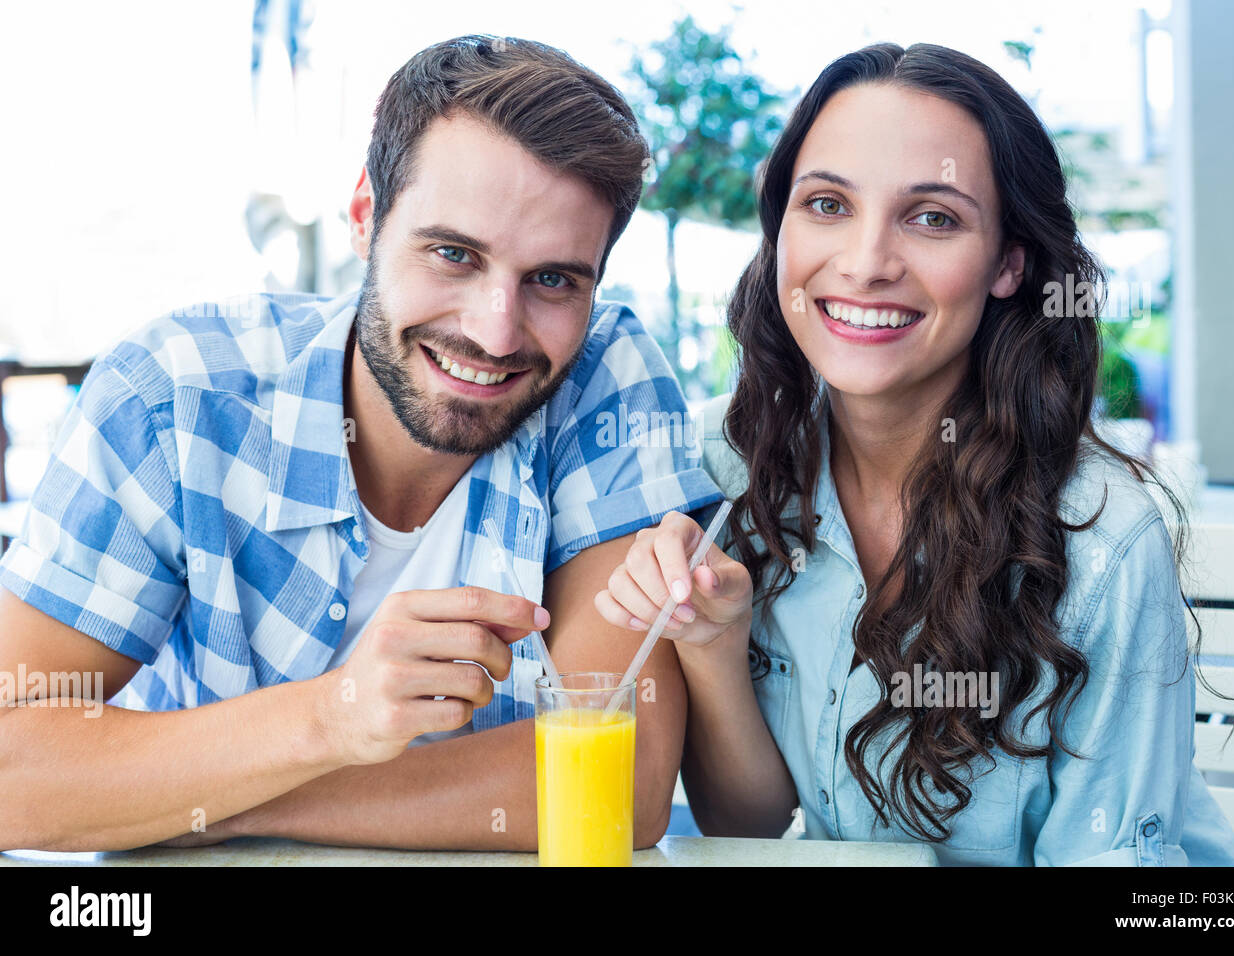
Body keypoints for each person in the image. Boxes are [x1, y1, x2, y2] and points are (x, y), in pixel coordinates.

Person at [0, 35, 722, 852]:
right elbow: (11, 771)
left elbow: (618, 783)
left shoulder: (605, 379)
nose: (494, 329)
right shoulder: (172, 396)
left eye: (552, 279)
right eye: (453, 254)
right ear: (364, 217)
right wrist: (328, 716)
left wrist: (217, 801)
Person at [595, 42, 1234, 865]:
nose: (867, 264)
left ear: (1009, 263)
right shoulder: (728, 467)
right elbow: (753, 826)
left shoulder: (1101, 541)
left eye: (933, 217)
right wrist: (713, 647)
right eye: (827, 204)